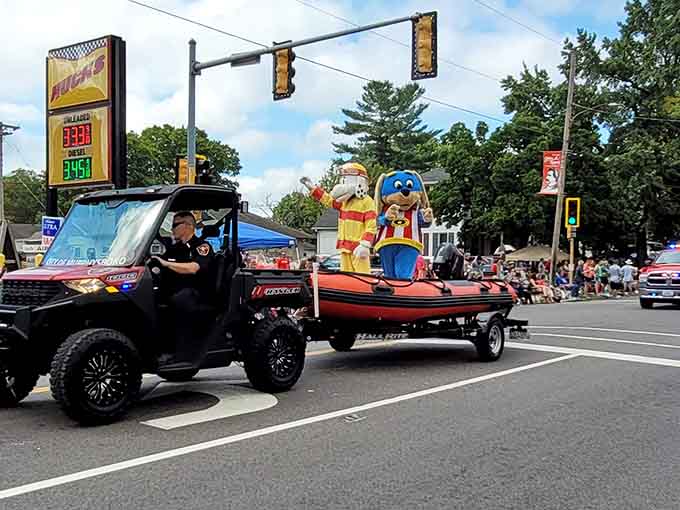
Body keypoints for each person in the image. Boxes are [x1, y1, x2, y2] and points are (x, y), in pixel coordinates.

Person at [152, 211, 215, 365]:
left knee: (179, 300)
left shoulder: (201, 246)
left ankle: (178, 353)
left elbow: (193, 268)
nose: (172, 229)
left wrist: (166, 264)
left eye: (174, 225)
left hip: (198, 294)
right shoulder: (175, 249)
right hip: (175, 292)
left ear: (188, 226)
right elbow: (160, 263)